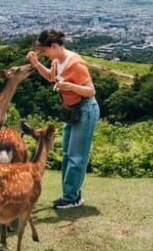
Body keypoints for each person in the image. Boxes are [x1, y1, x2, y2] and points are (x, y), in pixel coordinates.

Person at [26, 29, 99, 209]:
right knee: (67, 153)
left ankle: (72, 197)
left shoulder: (76, 64)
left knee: (76, 156)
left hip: (85, 109)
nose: (44, 54)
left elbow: (91, 91)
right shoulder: (57, 61)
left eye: (45, 51)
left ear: (55, 46)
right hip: (71, 109)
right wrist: (36, 64)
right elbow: (52, 78)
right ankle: (70, 194)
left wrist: (70, 86)